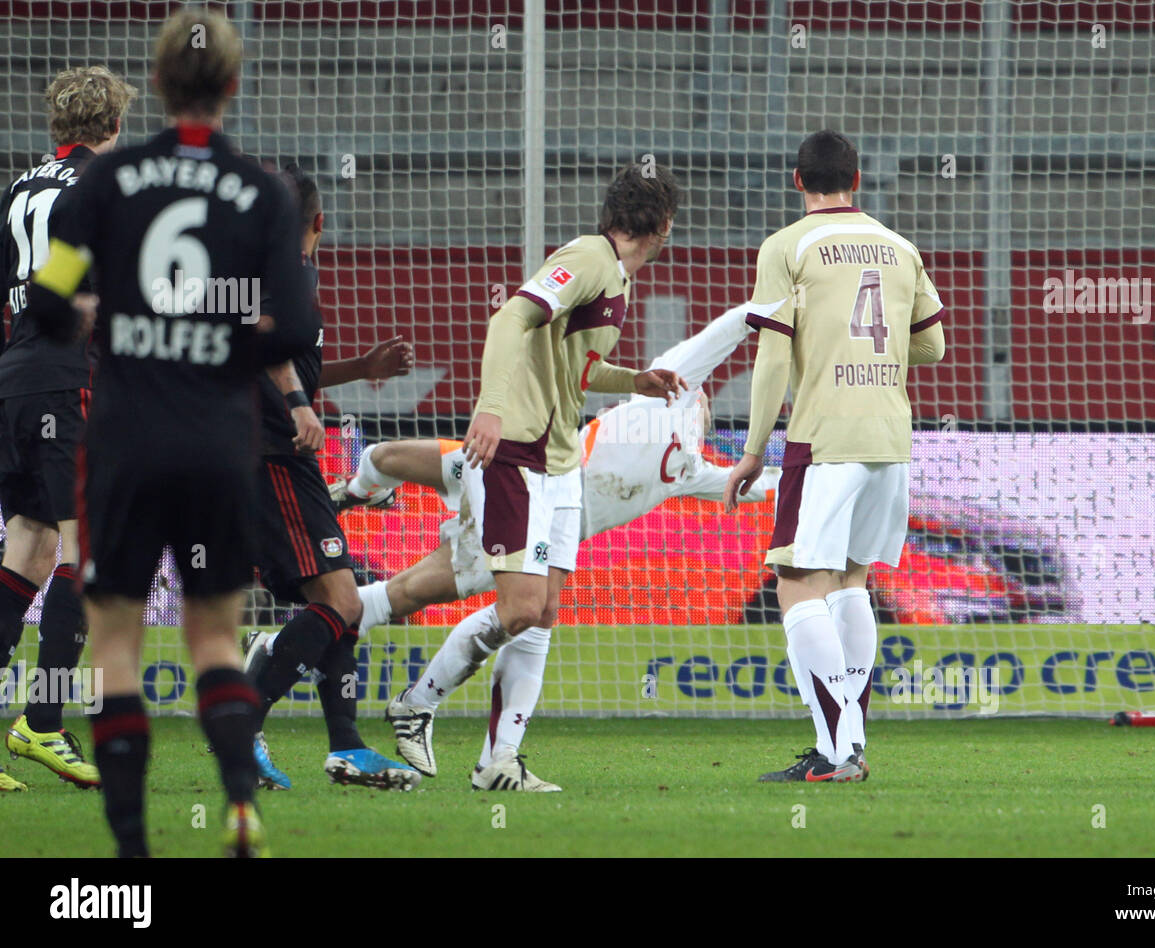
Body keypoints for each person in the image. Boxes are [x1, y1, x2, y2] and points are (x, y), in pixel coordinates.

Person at [250, 304, 782, 778]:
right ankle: (421, 706)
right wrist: (774, 308)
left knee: (407, 593)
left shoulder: (689, 469)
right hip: (531, 484)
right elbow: (725, 329)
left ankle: (286, 642)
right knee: (517, 608)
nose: (710, 404)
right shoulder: (672, 390)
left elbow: (755, 485)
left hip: (535, 507)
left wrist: (801, 473)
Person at [26, 8, 317, 855]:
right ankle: (237, 806)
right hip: (218, 445)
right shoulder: (264, 193)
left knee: (115, 642)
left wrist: (107, 311)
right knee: (214, 638)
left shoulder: (106, 186)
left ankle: (130, 850)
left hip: (122, 440)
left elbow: (46, 305)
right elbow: (295, 330)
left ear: (153, 84)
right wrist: (222, 330)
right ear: (231, 86)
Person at [366, 164, 682, 791]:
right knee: (518, 611)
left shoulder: (613, 277)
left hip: (561, 465)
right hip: (516, 455)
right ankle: (415, 704)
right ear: (663, 225)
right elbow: (512, 317)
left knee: (543, 614)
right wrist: (489, 406)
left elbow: (580, 371)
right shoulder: (589, 257)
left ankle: (498, 761)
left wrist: (635, 380)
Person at [723, 130, 946, 783]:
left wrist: (754, 449)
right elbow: (932, 348)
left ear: (798, 181)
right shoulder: (900, 246)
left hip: (822, 438)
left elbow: (769, 357)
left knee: (796, 585)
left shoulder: (786, 246)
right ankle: (849, 743)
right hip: (889, 438)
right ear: (857, 179)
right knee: (852, 580)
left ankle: (835, 749)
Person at [243, 163, 419, 792]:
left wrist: (358, 367)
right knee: (343, 601)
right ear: (318, 223)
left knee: (336, 602)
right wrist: (296, 404)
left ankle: (346, 747)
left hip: (261, 454)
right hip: (273, 456)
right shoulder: (277, 271)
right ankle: (243, 724)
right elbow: (266, 347)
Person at [0, 65, 136, 793]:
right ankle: (43, 723)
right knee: (85, 547)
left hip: (14, 377)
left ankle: (36, 723)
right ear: (113, 127)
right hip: (66, 381)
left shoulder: (20, 189)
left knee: (28, 544)